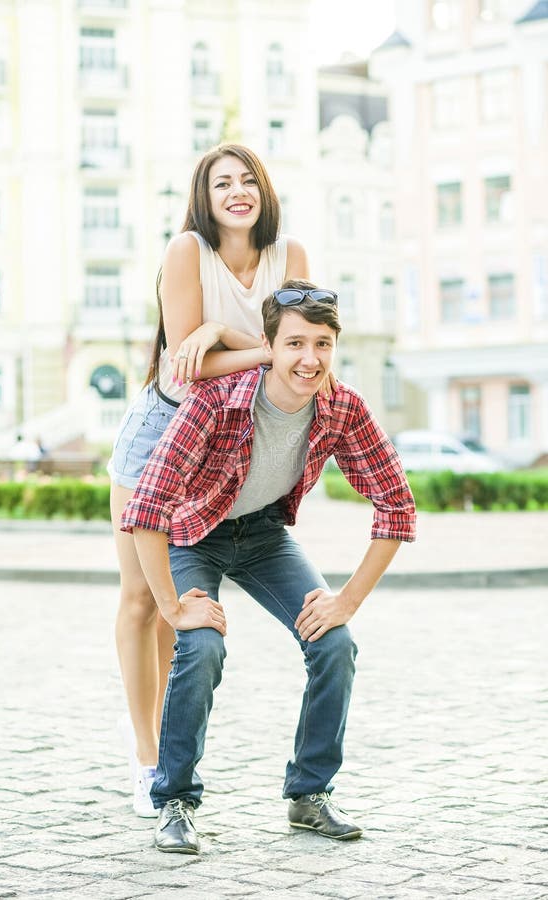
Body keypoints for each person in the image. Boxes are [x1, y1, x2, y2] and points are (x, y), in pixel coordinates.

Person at [120, 280, 417, 855]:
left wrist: (347, 601)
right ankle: (174, 799)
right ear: (270, 347)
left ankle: (309, 794)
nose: (310, 360)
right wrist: (172, 607)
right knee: (200, 646)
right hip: (194, 535)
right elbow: (149, 508)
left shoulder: (344, 406)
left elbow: (396, 505)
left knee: (335, 643)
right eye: (297, 344)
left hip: (263, 536)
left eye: (323, 345)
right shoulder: (217, 399)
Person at [107, 145, 312, 818]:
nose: (237, 190)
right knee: (144, 601)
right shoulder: (185, 252)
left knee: (183, 612)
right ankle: (147, 762)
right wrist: (249, 340)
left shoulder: (292, 258)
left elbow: (305, 345)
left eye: (248, 179)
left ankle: (169, 752)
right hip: (159, 434)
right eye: (222, 182)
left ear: (264, 190)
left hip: (228, 444)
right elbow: (190, 365)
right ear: (206, 196)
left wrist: (225, 333)